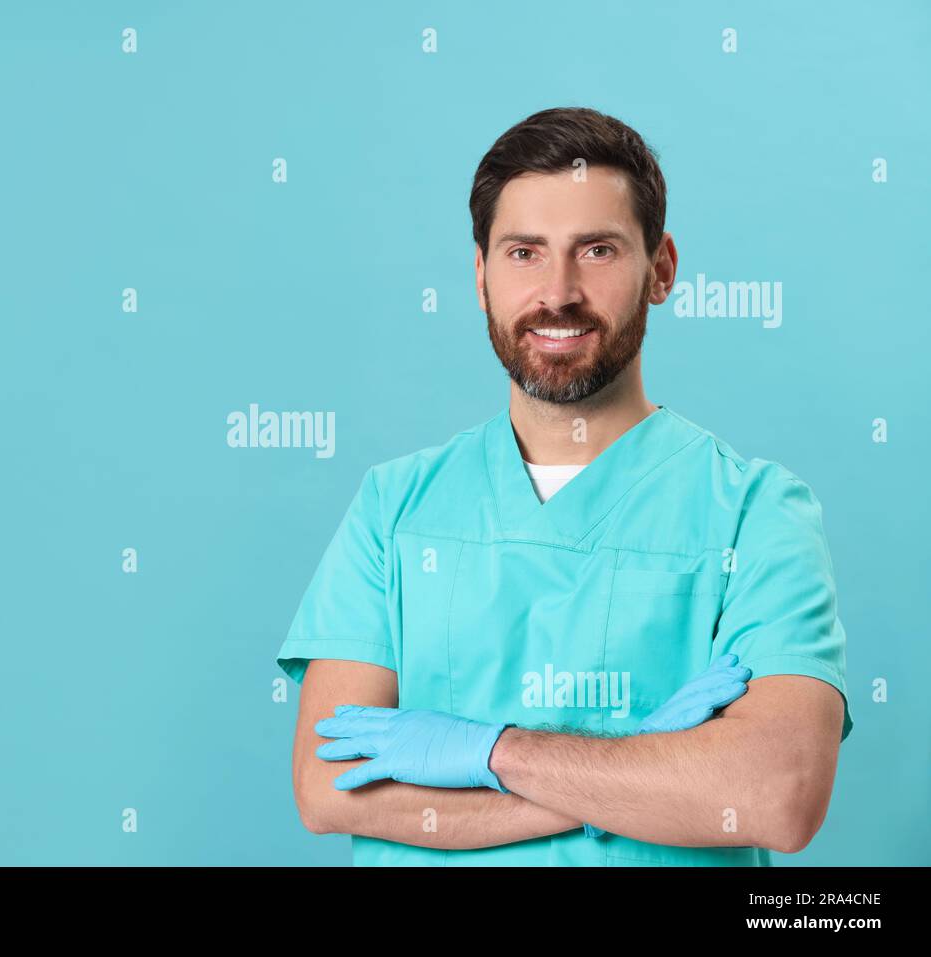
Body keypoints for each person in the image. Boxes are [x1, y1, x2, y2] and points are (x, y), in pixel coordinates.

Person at [276, 107, 852, 866]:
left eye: (598, 250)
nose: (558, 291)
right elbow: (328, 787)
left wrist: (488, 751)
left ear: (663, 269)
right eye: (523, 253)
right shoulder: (395, 509)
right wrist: (641, 767)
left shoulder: (756, 515)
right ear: (480, 278)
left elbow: (777, 792)